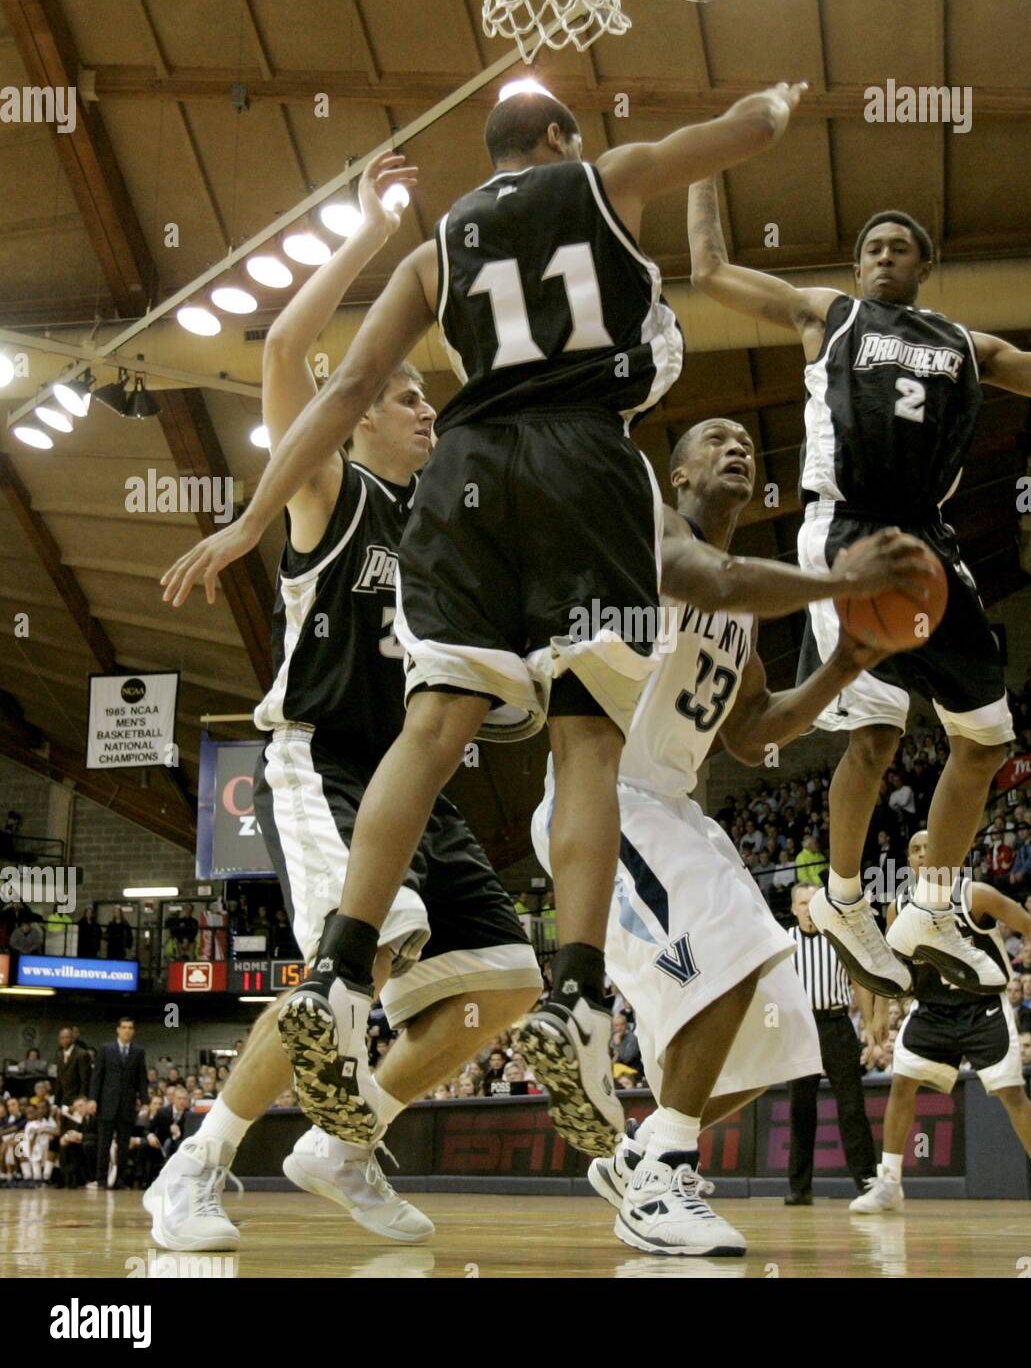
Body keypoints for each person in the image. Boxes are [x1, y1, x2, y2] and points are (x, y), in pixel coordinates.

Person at [162, 80, 817, 1157]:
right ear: (562, 141)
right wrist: (773, 110)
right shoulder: (601, 186)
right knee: (578, 744)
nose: (417, 399)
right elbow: (308, 371)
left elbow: (350, 376)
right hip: (360, 709)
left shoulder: (439, 355)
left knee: (475, 905)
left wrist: (244, 519)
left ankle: (347, 1063)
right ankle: (568, 993)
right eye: (407, 400)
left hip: (460, 585)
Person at [146, 154, 543, 1253]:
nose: (425, 411)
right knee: (351, 960)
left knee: (508, 981)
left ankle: (345, 1137)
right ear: (356, 416)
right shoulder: (329, 490)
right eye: (406, 395)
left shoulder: (439, 535)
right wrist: (375, 227)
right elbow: (283, 350)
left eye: (428, 398)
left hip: (414, 780)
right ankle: (198, 1161)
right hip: (319, 761)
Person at [688, 177, 1031, 1000]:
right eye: (872, 248)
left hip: (930, 543)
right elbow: (710, 270)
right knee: (876, 735)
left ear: (924, 265)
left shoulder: (969, 347)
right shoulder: (830, 314)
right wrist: (705, 168)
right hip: (848, 530)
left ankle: (929, 908)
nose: (885, 256)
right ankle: (846, 901)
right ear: (856, 268)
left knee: (986, 743)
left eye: (900, 247)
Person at [533, 418, 917, 1254]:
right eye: (713, 439)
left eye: (747, 439)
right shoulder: (655, 531)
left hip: (670, 810)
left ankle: (639, 1153)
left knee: (782, 1028)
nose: (738, 445)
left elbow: (751, 733)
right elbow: (715, 577)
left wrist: (843, 665)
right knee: (736, 946)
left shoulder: (738, 610)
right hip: (602, 804)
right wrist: (833, 580)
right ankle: (662, 1178)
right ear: (674, 476)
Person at [850, 831, 1031, 1217]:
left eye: (929, 847)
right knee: (901, 1085)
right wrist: (880, 1012)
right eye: (915, 850)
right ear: (909, 861)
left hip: (982, 1006)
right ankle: (889, 1182)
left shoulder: (975, 895)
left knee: (1011, 1093)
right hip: (932, 1009)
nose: (922, 854)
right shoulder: (898, 906)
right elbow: (892, 965)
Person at [784, 882, 877, 1205]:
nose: (808, 908)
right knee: (801, 1109)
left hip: (837, 1024)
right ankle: (799, 1186)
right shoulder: (784, 942)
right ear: (794, 908)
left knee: (852, 1105)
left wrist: (867, 1022)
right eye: (802, 903)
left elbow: (860, 981)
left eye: (813, 902)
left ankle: (867, 1181)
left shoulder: (838, 937)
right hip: (800, 1028)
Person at [88, 1017, 146, 1189]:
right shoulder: (106, 1049)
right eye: (124, 1027)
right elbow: (97, 1076)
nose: (127, 1030)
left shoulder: (138, 1051)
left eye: (130, 1027)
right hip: (107, 1103)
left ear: (133, 1031)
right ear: (118, 1030)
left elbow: (141, 1079)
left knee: (123, 1146)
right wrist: (93, 1099)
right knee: (103, 1145)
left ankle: (120, 1180)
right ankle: (101, 1180)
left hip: (127, 1105)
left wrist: (145, 1101)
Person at [52, 1026, 93, 1110]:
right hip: (64, 1099)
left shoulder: (82, 1054)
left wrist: (81, 1100)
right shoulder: (59, 1054)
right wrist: (56, 1103)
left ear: (72, 1038)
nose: (64, 1040)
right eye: (62, 1038)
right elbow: (59, 1079)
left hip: (77, 1099)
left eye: (67, 1037)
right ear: (59, 1040)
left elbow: (85, 1080)